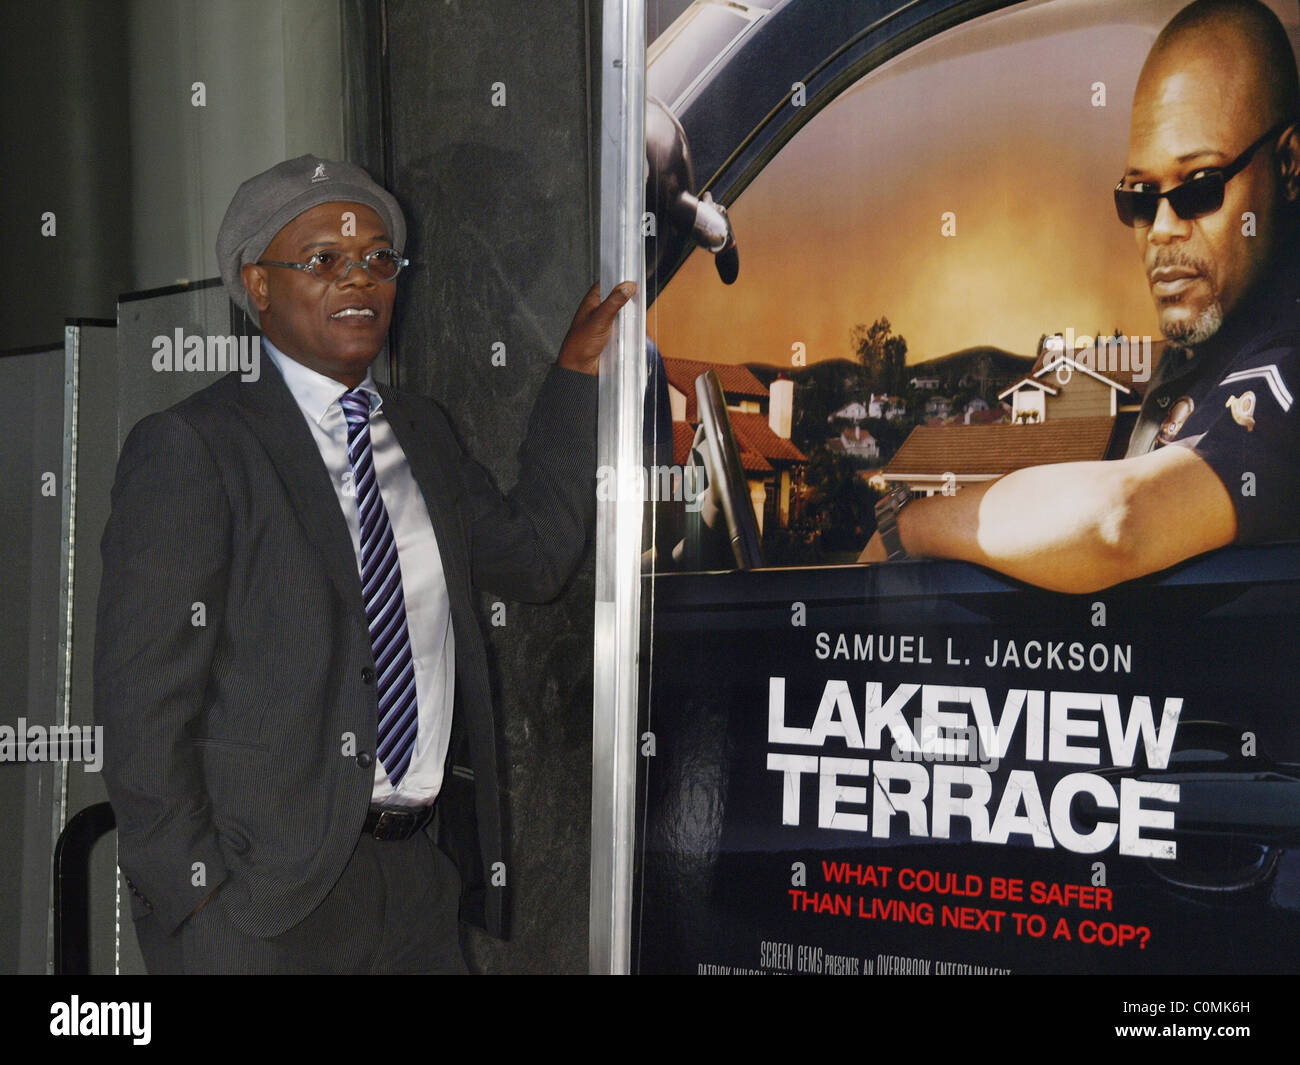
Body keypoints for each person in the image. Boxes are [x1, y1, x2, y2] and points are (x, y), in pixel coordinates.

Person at [94, 154, 633, 973]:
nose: (360, 278)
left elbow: (536, 559)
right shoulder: (196, 447)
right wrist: (200, 915)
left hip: (417, 883)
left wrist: (575, 377)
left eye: (380, 258)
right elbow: (143, 721)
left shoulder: (420, 432)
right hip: (268, 905)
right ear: (258, 286)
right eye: (323, 260)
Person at [859, 0, 1299, 593]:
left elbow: (1117, 522)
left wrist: (903, 531)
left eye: (1200, 187)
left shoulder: (1286, 365)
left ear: (1290, 165)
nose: (1161, 228)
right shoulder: (1204, 361)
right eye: (1140, 197)